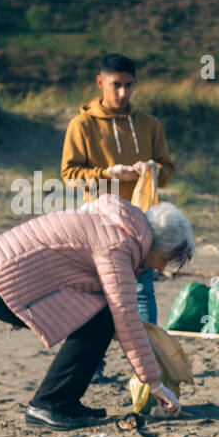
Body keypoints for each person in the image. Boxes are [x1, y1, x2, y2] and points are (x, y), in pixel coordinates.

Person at [0, 196, 194, 430]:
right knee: (103, 321)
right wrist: (155, 384)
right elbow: (126, 317)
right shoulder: (118, 244)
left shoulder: (120, 225)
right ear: (156, 244)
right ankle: (48, 405)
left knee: (100, 318)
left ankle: (65, 402)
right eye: (165, 259)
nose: (162, 268)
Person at [62, 53, 175, 327]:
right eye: (116, 85)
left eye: (129, 85)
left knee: (142, 292)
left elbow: (167, 170)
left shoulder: (150, 125)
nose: (123, 92)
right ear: (100, 82)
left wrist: (155, 171)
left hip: (141, 223)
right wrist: (109, 173)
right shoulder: (82, 125)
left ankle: (151, 364)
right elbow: (70, 175)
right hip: (99, 223)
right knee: (96, 296)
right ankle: (93, 369)